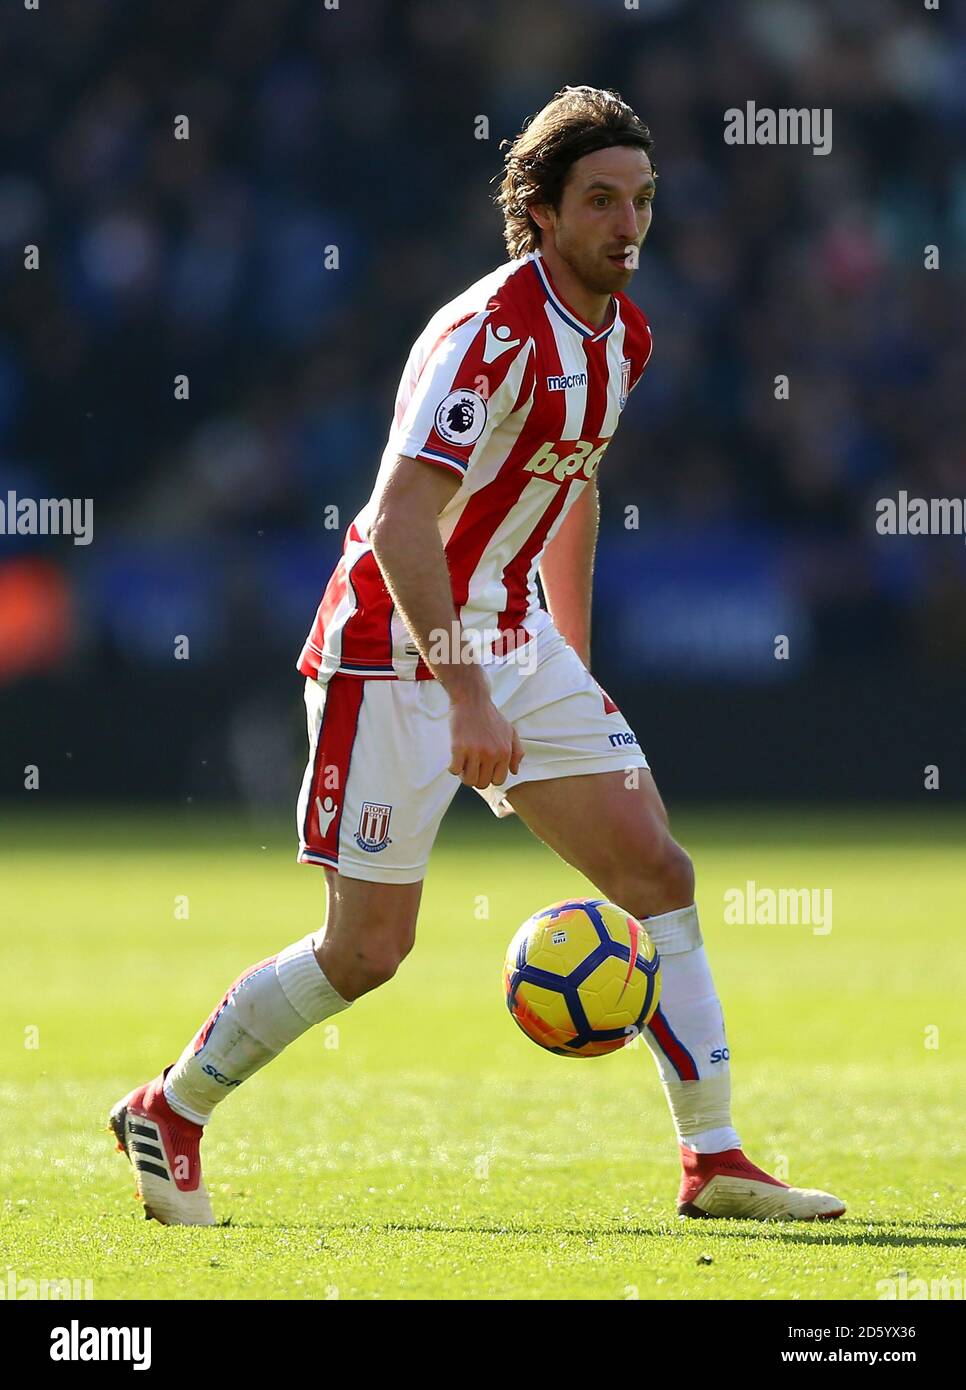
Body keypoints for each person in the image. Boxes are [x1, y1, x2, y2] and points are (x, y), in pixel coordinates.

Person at [110, 86, 845, 1225]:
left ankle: (717, 1160)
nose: (628, 225)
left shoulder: (626, 336)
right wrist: (465, 693)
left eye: (642, 200)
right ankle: (174, 1104)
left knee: (658, 872)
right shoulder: (488, 332)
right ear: (541, 212)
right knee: (367, 951)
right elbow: (403, 520)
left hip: (513, 634)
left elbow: (573, 483)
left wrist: (573, 667)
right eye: (601, 201)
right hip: (391, 648)